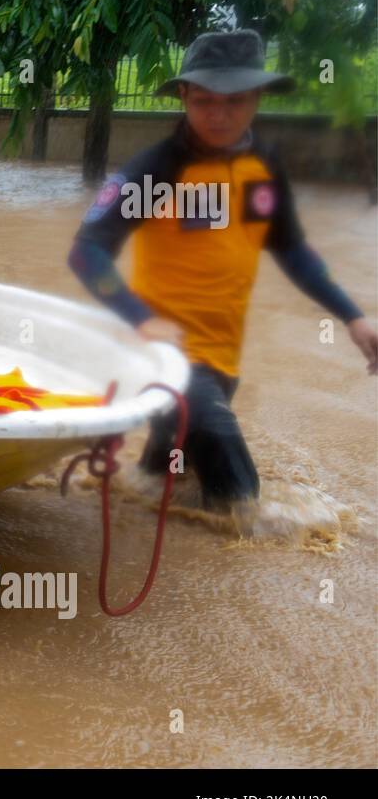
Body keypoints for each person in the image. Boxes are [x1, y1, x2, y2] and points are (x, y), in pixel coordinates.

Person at [68, 29, 377, 522]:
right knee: (242, 505)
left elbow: (293, 250)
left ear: (257, 97)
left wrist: (352, 317)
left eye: (234, 101)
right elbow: (87, 253)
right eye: (204, 100)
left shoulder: (263, 169)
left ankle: (141, 489)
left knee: (163, 481)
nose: (218, 115)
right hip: (165, 359)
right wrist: (139, 317)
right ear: (185, 97)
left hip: (223, 359)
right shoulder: (155, 172)